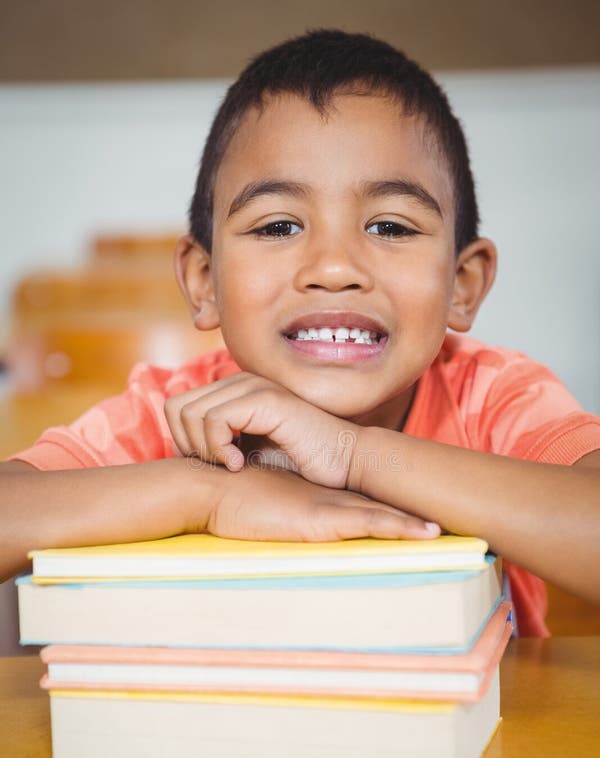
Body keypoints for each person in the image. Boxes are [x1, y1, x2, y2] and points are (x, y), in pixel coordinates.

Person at [2, 30, 599, 634]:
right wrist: (204, 492)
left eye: (391, 227)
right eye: (278, 226)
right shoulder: (176, 412)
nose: (334, 269)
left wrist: (354, 455)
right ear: (204, 281)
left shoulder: (491, 396)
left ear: (462, 284)